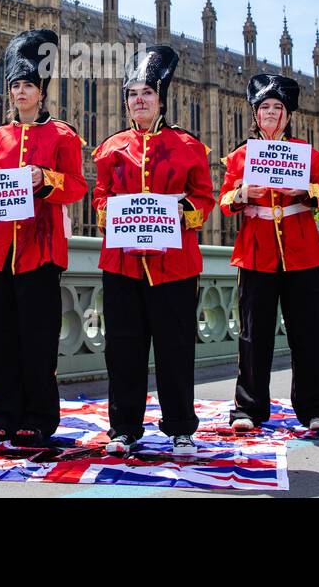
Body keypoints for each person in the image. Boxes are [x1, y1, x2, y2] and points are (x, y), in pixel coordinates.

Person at [93, 45, 215, 456]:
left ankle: (180, 427)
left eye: (146, 93)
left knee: (174, 348)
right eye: (132, 94)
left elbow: (204, 198)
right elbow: (100, 195)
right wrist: (108, 210)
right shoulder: (111, 148)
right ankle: (124, 428)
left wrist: (183, 211)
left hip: (174, 264)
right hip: (122, 263)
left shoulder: (188, 146)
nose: (139, 100)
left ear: (161, 99)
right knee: (123, 348)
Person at [0, 29, 87, 445]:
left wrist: (46, 178)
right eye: (16, 86)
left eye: (28, 86)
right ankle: (3, 414)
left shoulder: (63, 136)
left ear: (41, 92)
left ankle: (39, 416)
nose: (21, 92)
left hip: (41, 249)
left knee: (37, 339)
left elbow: (77, 186)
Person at [218, 74, 319, 433]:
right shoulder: (240, 157)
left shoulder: (308, 154)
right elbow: (224, 201)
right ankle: (249, 408)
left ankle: (316, 410)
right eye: (265, 107)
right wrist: (243, 194)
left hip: (301, 252)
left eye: (277, 108)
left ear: (288, 115)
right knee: (254, 335)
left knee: (308, 333)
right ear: (256, 115)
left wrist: (305, 191)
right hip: (256, 253)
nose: (271, 113)